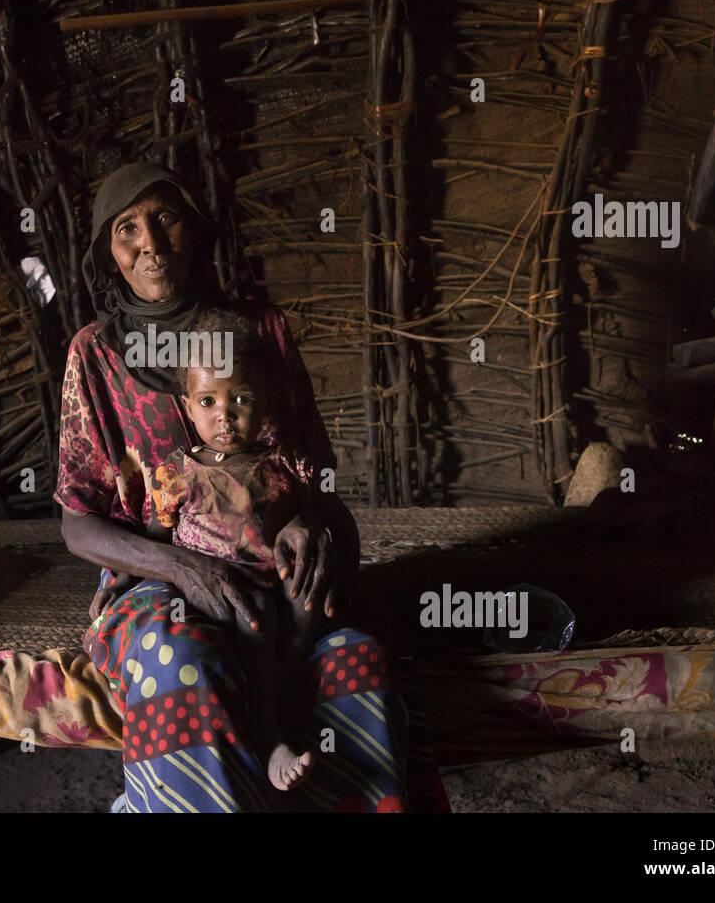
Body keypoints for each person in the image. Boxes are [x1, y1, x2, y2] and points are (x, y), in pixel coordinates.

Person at [57, 161, 448, 812]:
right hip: (156, 577)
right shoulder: (95, 355)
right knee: (179, 655)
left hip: (272, 570)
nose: (150, 241)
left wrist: (312, 520)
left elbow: (317, 477)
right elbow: (77, 522)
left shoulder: (258, 331)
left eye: (167, 218)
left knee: (358, 661)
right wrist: (183, 568)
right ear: (108, 253)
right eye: (128, 228)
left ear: (196, 230)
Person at [147, 307, 330, 791]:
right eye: (208, 401)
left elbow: (302, 514)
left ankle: (274, 692)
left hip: (274, 576)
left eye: (241, 399)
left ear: (264, 401)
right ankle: (268, 736)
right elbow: (153, 537)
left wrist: (300, 524)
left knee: (308, 598)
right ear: (187, 407)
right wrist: (121, 580)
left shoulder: (280, 464)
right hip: (218, 587)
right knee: (259, 621)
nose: (224, 415)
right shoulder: (176, 472)